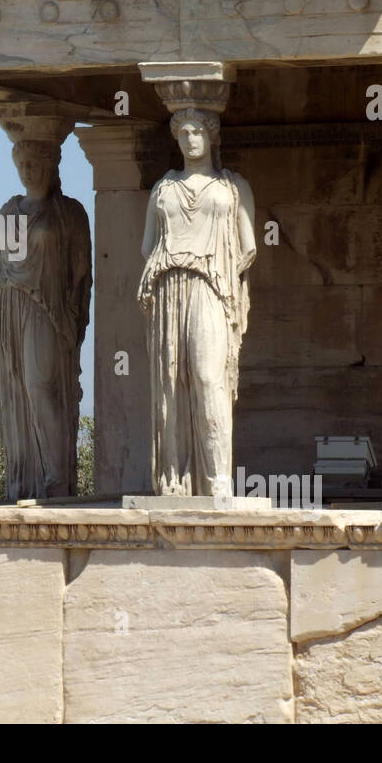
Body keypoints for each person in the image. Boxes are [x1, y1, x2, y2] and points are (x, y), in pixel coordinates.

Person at [138, 107, 255, 497]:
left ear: (211, 135)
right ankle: (176, 478)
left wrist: (218, 271)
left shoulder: (233, 187)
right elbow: (147, 245)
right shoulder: (163, 188)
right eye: (183, 132)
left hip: (211, 286)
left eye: (197, 131)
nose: (190, 139)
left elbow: (248, 247)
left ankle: (218, 477)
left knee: (208, 375)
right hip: (169, 287)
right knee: (172, 381)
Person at [0, 139, 91, 500]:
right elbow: (5, 263)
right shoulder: (9, 211)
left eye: (33, 162)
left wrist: (75, 318)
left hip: (48, 310)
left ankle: (57, 476)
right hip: (10, 306)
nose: (26, 170)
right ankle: (27, 478)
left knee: (40, 385)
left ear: (51, 164)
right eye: (21, 163)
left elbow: (79, 274)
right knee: (18, 386)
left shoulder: (70, 213)